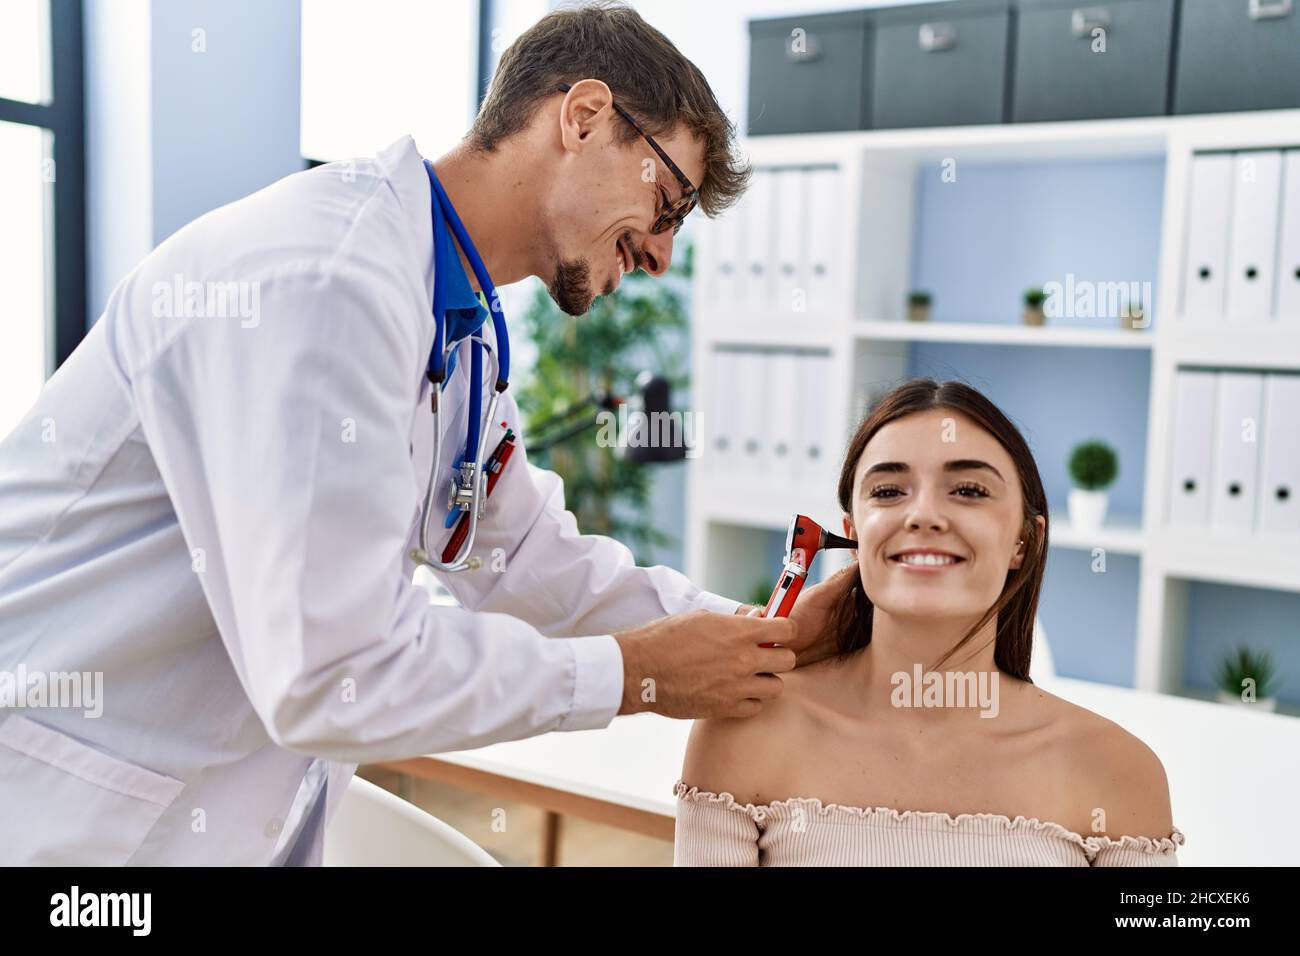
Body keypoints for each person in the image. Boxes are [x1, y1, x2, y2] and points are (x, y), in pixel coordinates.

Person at [0, 3, 847, 865]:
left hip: (200, 813)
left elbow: (519, 557)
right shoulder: (324, 282)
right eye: (666, 202)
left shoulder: (457, 324)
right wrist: (633, 673)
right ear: (584, 116)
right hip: (60, 814)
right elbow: (336, 672)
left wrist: (749, 634)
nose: (664, 254)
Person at [675, 379, 1184, 866]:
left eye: (968, 490)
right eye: (889, 491)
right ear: (853, 536)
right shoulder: (746, 731)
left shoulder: (1117, 772)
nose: (922, 515)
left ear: (1023, 541)